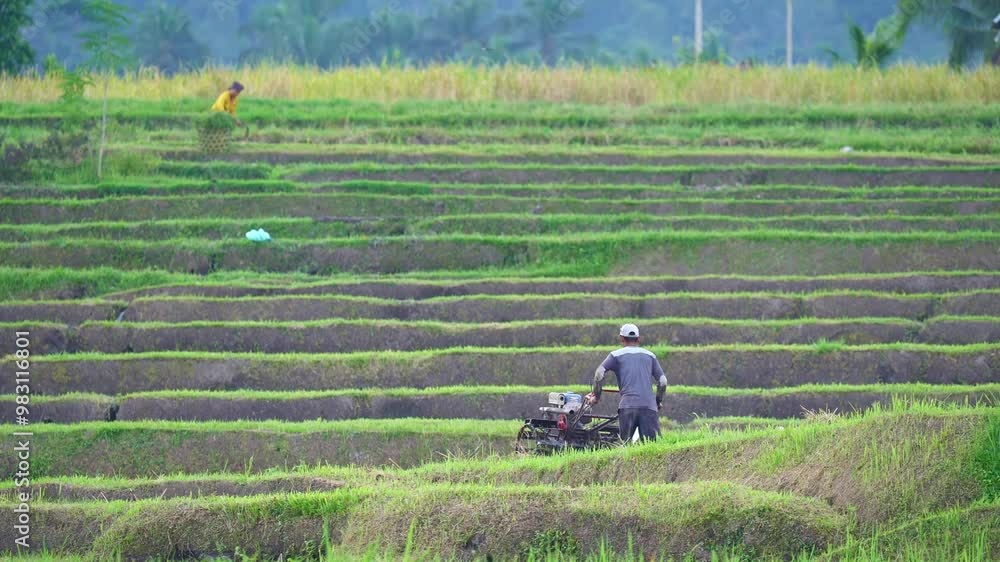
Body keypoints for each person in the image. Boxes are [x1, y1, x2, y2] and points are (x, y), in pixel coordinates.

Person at [585, 323, 667, 443]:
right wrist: (657, 401)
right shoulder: (650, 356)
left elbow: (599, 374)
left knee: (625, 447)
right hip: (649, 407)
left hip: (627, 406)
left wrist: (596, 397)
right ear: (639, 339)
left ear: (621, 338)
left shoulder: (615, 355)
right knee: (651, 448)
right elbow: (663, 381)